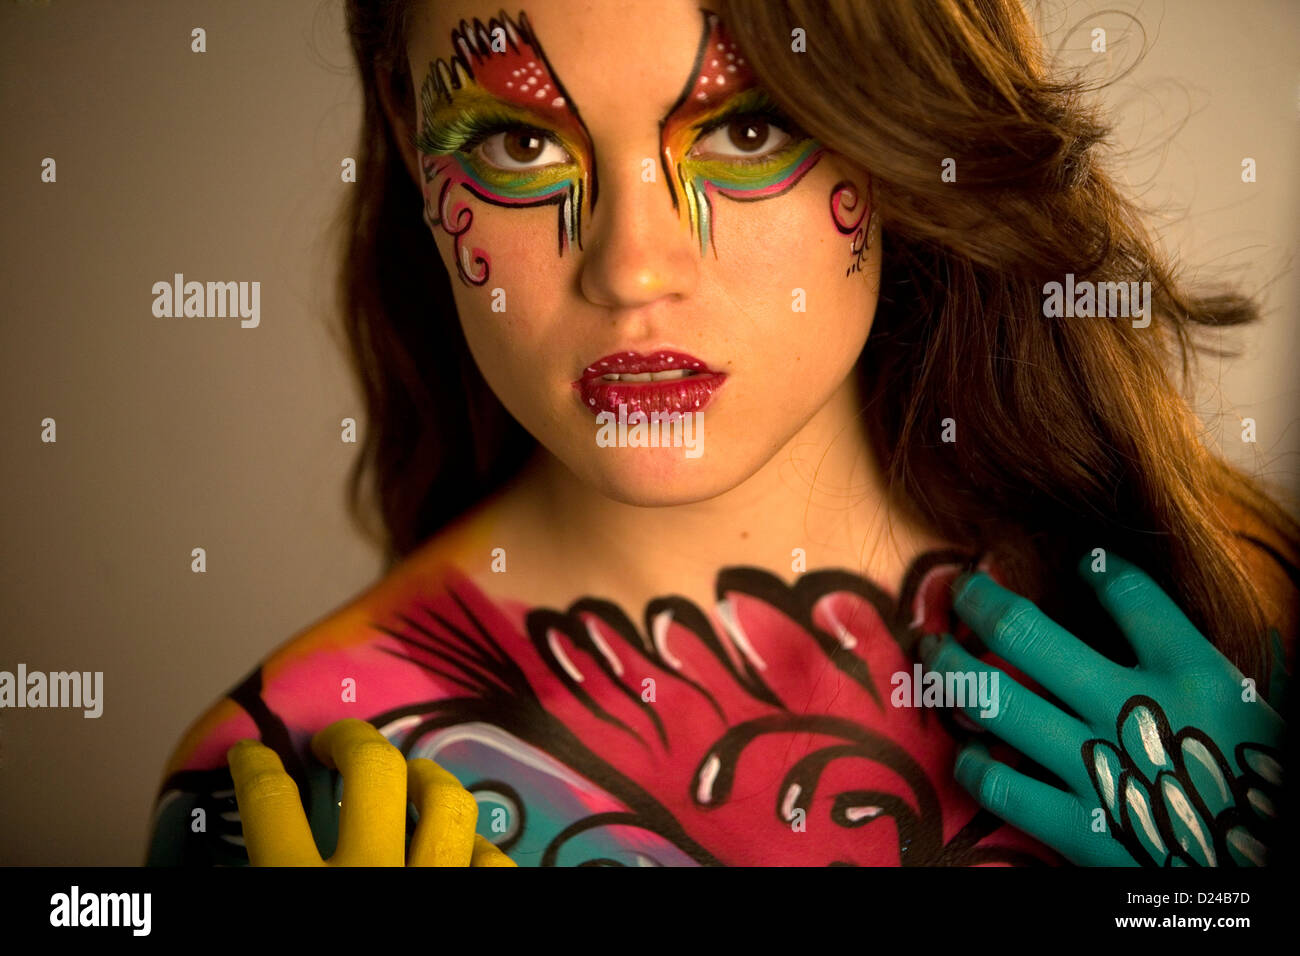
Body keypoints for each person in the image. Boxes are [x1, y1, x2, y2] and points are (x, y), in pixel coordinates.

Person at [145, 0, 1298, 867]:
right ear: (409, 141)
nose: (631, 264)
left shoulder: (1228, 612)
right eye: (519, 144)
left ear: (894, 131)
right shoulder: (276, 785)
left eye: (747, 127)